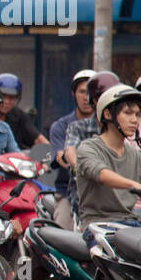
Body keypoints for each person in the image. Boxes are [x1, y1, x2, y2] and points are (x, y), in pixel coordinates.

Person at [74, 85, 141, 231]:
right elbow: (102, 174)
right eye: (128, 113)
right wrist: (135, 186)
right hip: (98, 225)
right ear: (108, 114)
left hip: (131, 223)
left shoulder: (134, 154)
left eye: (138, 115)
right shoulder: (88, 148)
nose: (135, 120)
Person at [65, 71, 121, 222]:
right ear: (95, 101)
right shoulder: (77, 127)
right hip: (86, 204)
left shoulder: (125, 129)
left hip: (124, 204)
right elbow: (70, 152)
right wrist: (81, 167)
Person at [48, 69, 95, 229]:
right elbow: (62, 157)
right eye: (82, 91)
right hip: (68, 194)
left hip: (103, 196)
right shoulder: (61, 126)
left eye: (91, 92)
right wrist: (75, 163)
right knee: (62, 236)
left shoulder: (109, 125)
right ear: (73, 94)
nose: (86, 97)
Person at [0, 72, 48, 147]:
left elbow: (38, 139)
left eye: (11, 98)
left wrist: (53, 154)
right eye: (2, 96)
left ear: (17, 98)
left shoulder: (20, 116)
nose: (6, 101)